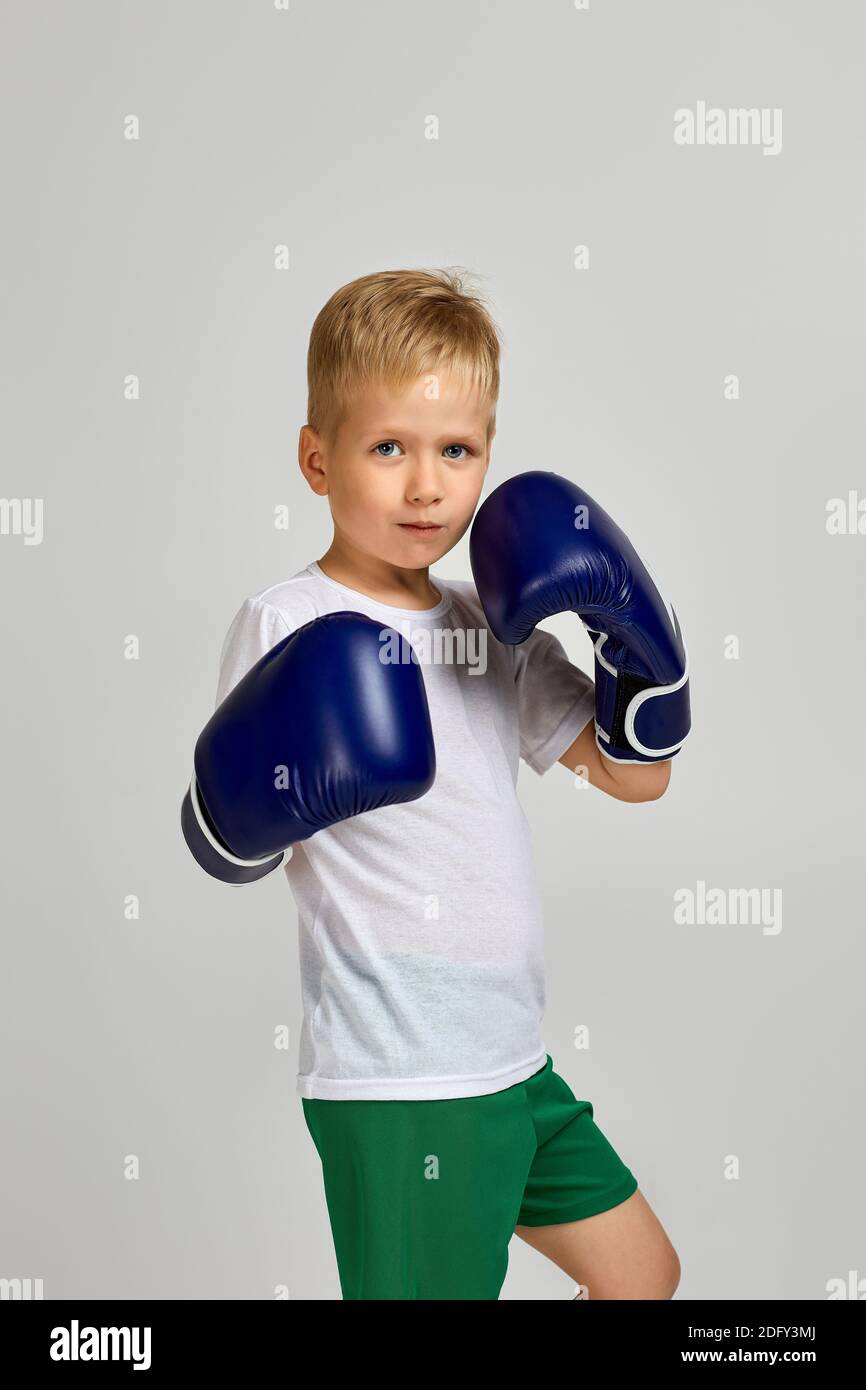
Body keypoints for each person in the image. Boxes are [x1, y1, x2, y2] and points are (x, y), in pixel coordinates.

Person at [185, 267, 685, 1300]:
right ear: (316, 461)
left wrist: (638, 655)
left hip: (511, 1063)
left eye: (455, 451)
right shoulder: (288, 624)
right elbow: (233, 833)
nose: (425, 486)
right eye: (387, 450)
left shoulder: (485, 622)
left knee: (641, 1277)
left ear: (487, 458)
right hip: (403, 1076)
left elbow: (636, 781)